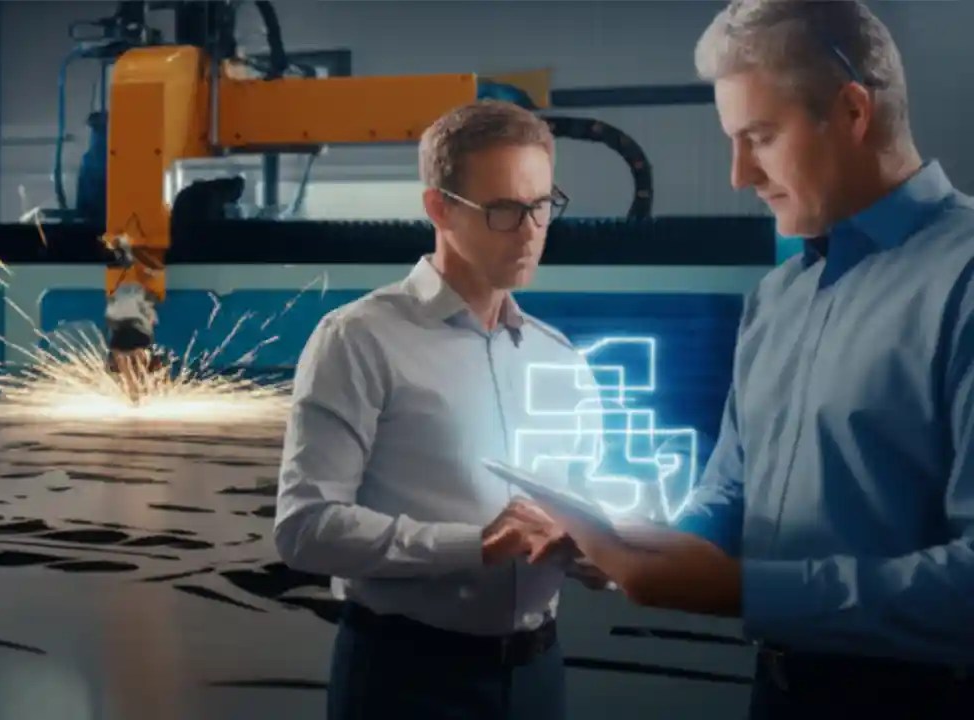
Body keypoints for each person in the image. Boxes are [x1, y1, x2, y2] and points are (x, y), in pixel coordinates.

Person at [508, 1, 974, 717]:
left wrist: (743, 590)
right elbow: (729, 496)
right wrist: (628, 548)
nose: (737, 174)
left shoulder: (964, 281)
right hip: (780, 693)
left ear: (853, 111)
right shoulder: (777, 298)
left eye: (759, 136)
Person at [273, 100, 591, 720]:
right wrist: (473, 545)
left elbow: (575, 511)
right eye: (503, 210)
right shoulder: (359, 340)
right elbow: (305, 529)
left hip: (539, 676)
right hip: (407, 680)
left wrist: (600, 553)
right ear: (439, 209)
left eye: (541, 206)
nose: (530, 230)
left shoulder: (560, 357)